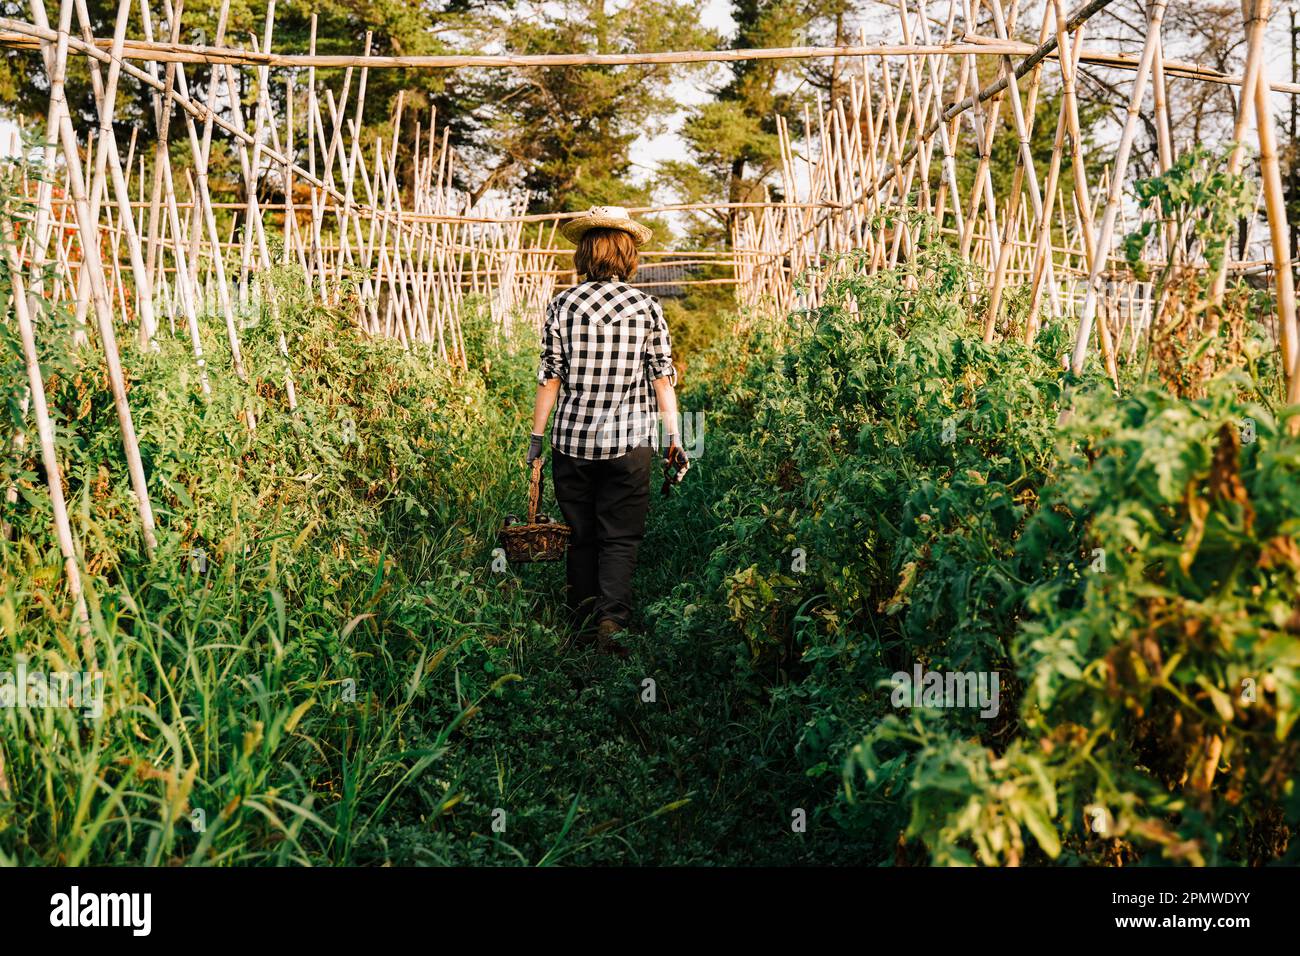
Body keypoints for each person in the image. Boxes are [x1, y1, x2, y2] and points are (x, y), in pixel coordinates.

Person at [527, 205, 689, 656]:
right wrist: (674, 439)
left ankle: (580, 620)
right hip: (630, 443)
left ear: (584, 253)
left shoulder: (562, 304)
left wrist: (537, 440)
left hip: (573, 441)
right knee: (620, 535)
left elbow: (550, 376)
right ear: (627, 256)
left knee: (580, 533)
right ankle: (612, 620)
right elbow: (662, 377)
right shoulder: (647, 307)